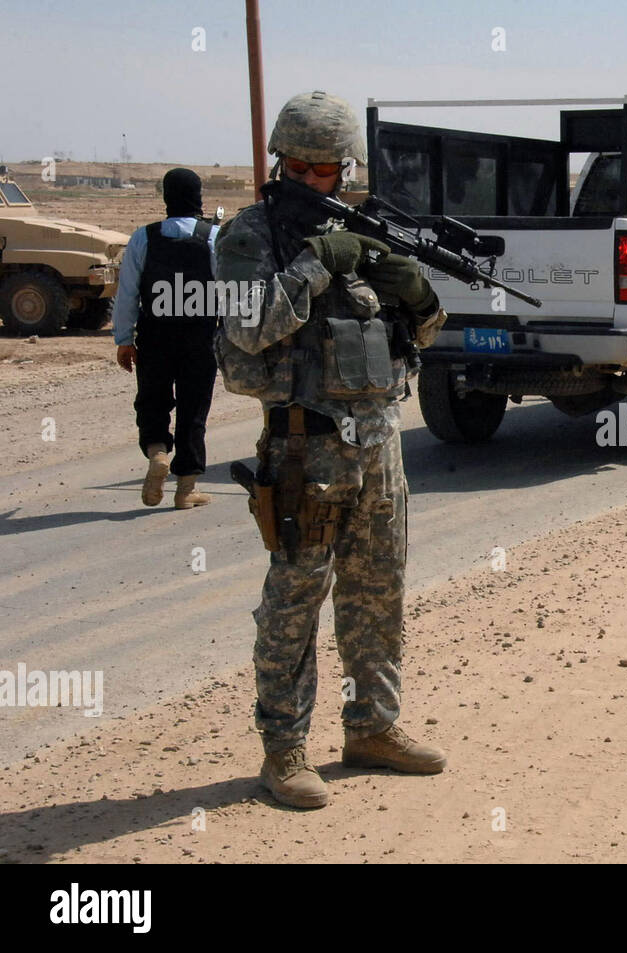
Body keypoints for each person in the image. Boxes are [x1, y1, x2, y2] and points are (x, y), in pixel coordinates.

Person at [214, 90, 447, 809]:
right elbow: (248, 335)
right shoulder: (250, 237)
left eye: (328, 170)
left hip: (380, 449)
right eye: (303, 167)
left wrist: (414, 290)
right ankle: (283, 750)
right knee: (293, 602)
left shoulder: (366, 229)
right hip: (302, 450)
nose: (316, 181)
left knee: (378, 596)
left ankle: (372, 727)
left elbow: (423, 336)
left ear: (345, 169)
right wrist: (317, 264)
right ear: (281, 162)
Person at [112, 168, 219, 508]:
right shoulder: (214, 237)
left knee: (153, 400)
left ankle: (158, 453)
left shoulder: (144, 237)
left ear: (167, 197)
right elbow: (230, 291)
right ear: (198, 196)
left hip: (155, 334)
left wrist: (124, 338)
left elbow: (127, 292)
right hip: (200, 336)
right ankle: (186, 489)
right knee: (193, 408)